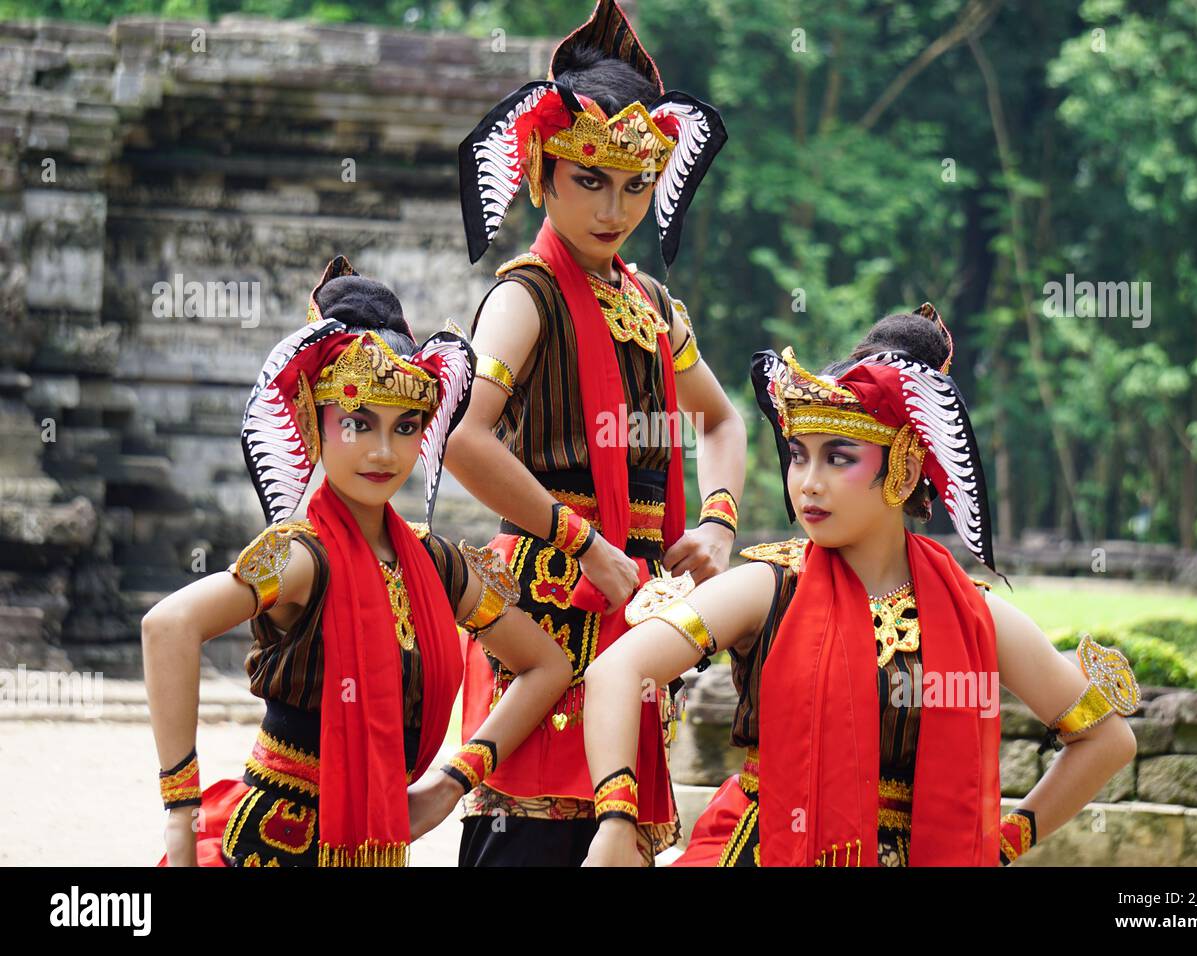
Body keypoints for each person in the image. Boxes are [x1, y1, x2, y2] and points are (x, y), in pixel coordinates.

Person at [581, 305, 1140, 866]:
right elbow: (617, 671)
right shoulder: (767, 587)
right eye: (798, 458)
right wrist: (614, 823)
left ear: (902, 467)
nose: (809, 484)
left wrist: (999, 846)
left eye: (838, 458)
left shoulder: (971, 614)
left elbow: (1107, 740)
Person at [143, 255, 572, 867]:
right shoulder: (300, 558)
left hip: (379, 835)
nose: (382, 451)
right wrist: (180, 820)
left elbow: (546, 665)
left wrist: (451, 784)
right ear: (316, 422)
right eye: (358, 423)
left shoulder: (437, 564)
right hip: (277, 843)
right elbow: (167, 627)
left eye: (405, 428)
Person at [448, 0, 745, 865]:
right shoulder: (524, 296)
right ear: (542, 172)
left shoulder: (653, 305)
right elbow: (464, 439)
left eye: (635, 185)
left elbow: (721, 420)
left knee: (609, 840)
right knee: (527, 835)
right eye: (590, 180)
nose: (615, 208)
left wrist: (720, 523)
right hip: (548, 601)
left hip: (633, 595)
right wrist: (585, 544)